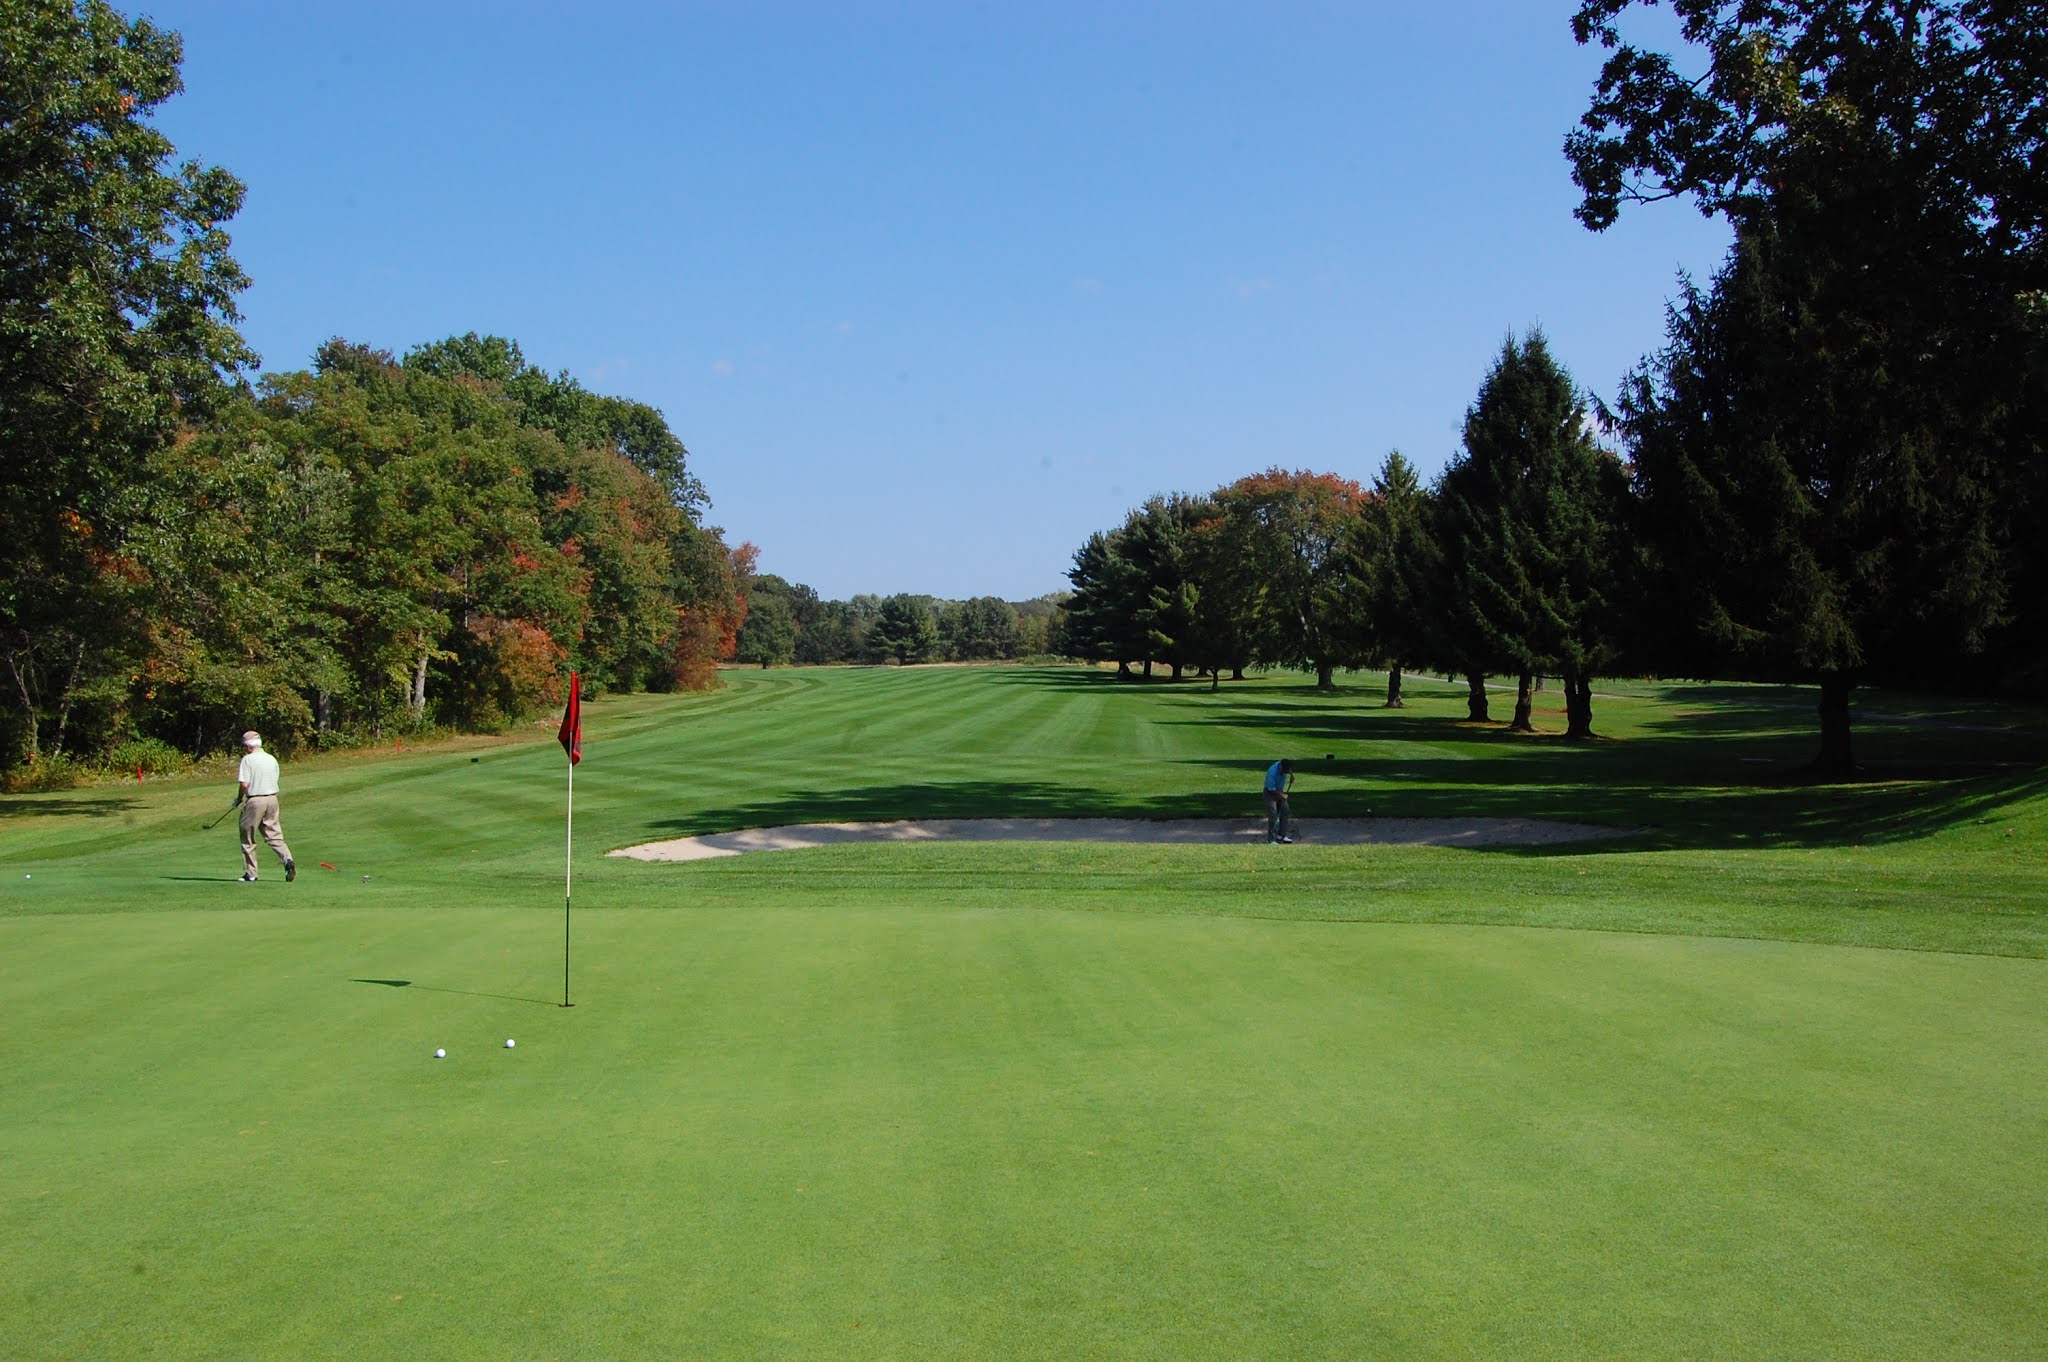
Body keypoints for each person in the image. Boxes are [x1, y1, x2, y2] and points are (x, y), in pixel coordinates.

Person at [235, 730, 295, 882]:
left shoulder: (248, 760)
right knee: (274, 835)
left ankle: (251, 874)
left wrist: (238, 799)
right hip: (272, 799)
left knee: (247, 837)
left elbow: (244, 784)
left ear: (249, 746)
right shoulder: (271, 759)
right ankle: (287, 859)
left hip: (256, 800)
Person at [1263, 758, 1295, 844]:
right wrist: (1282, 795)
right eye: (1284, 771)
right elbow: (1271, 789)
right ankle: (1271, 839)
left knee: (1285, 811)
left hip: (1279, 791)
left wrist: (1292, 775)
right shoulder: (1272, 772)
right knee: (1273, 815)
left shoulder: (1285, 766)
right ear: (1280, 766)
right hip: (1270, 793)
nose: (1285, 772)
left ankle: (1281, 835)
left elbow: (1289, 769)